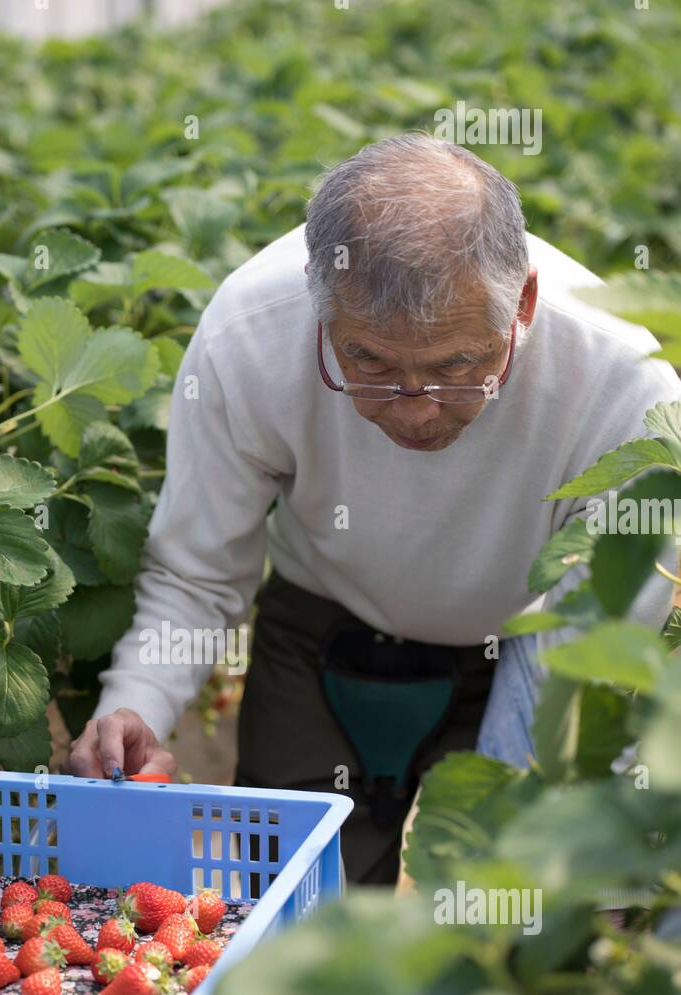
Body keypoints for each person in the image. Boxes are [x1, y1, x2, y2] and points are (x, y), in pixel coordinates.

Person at [65, 133, 680, 884]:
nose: (416, 412)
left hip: (521, 643)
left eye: (457, 367)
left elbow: (581, 652)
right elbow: (198, 572)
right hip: (316, 625)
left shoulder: (624, 387)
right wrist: (138, 708)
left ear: (521, 301)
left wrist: (502, 846)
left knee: (492, 914)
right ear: (317, 308)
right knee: (296, 905)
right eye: (370, 364)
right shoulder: (249, 334)